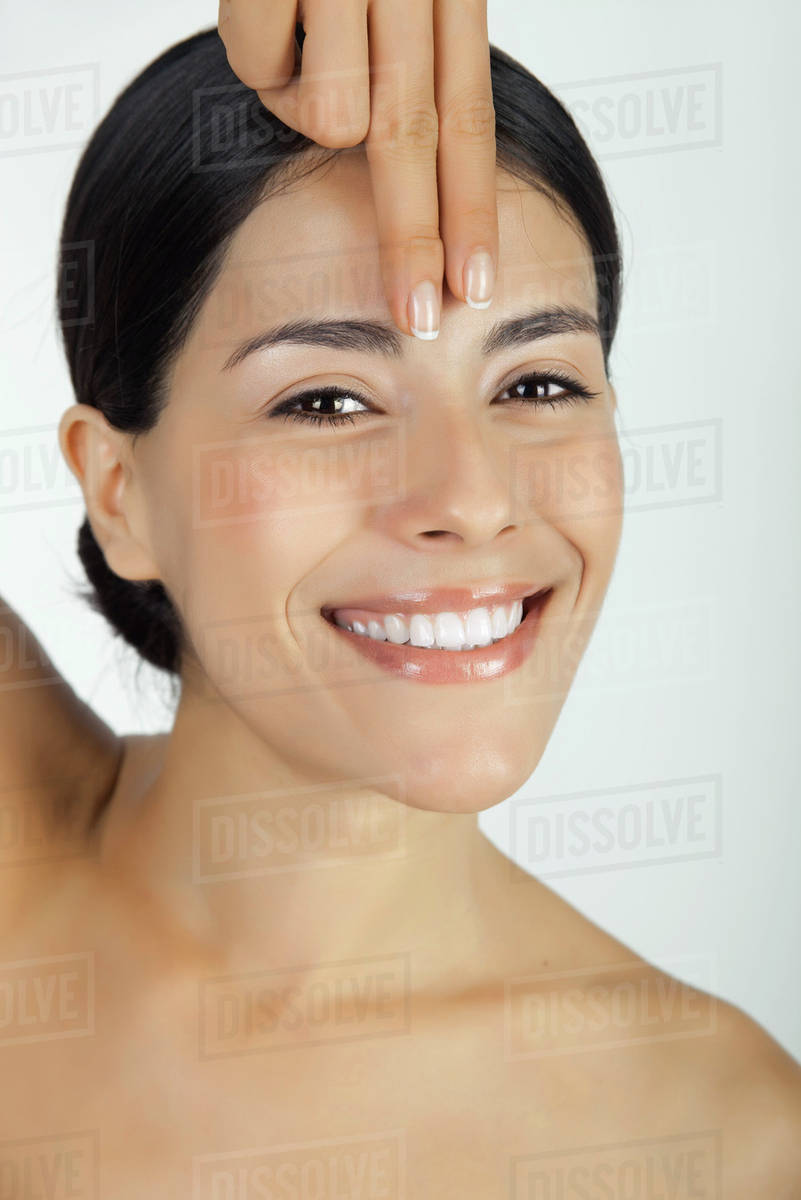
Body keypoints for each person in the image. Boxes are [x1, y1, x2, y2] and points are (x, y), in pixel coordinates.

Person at [0, 9, 799, 1195]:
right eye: (326, 400)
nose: (470, 500)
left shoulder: (726, 1141)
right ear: (120, 492)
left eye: (536, 381)